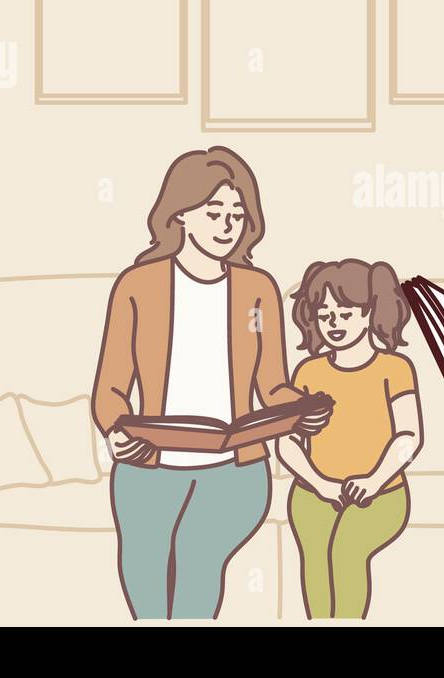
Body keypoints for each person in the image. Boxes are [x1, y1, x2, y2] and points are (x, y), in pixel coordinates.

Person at [90, 146, 330, 619]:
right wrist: (118, 432)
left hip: (236, 472)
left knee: (197, 557)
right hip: (148, 466)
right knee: (147, 582)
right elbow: (110, 388)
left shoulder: (257, 290)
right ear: (180, 215)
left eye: (238, 214)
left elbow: (273, 386)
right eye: (214, 211)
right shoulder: (138, 285)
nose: (227, 225)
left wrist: (302, 410)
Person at [277, 259, 423, 619]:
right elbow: (287, 441)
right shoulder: (309, 371)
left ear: (370, 312)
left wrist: (374, 480)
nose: (333, 323)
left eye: (344, 312)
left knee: (345, 552)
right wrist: (320, 484)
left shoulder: (395, 367)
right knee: (315, 563)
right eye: (325, 314)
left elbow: (409, 435)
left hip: (382, 494)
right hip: (313, 493)